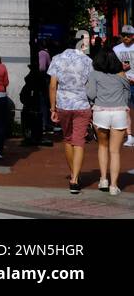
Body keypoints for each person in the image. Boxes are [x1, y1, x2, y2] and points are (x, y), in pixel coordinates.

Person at [48, 36, 94, 194]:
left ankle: (74, 174)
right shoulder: (87, 61)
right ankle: (75, 179)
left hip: (63, 104)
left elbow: (53, 85)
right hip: (82, 103)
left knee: (68, 139)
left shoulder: (57, 59)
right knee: (79, 141)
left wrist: (52, 108)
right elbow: (90, 84)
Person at [87, 41, 131, 195]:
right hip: (119, 113)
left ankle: (103, 179)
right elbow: (127, 97)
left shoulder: (95, 74)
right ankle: (114, 186)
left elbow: (91, 94)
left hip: (101, 112)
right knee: (115, 151)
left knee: (102, 147)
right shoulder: (122, 77)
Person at [112, 25, 134, 148]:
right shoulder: (116, 49)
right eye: (124, 35)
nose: (126, 37)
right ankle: (130, 136)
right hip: (124, 82)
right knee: (126, 110)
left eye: (128, 35)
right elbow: (114, 66)